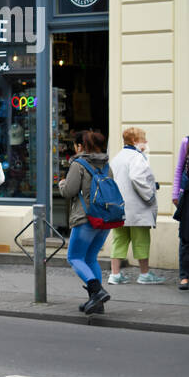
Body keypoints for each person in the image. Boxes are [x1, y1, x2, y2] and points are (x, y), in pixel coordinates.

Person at [59, 130, 113, 314]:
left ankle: (96, 292)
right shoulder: (106, 164)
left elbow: (69, 191)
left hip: (85, 218)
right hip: (105, 218)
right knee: (90, 258)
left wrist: (61, 183)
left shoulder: (78, 164)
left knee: (74, 257)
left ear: (80, 146)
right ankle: (97, 303)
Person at [108, 127, 163, 284]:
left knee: (119, 240)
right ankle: (144, 274)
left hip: (119, 208)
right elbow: (137, 177)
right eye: (143, 139)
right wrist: (150, 195)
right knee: (141, 240)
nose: (145, 142)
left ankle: (115, 274)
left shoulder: (117, 157)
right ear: (134, 141)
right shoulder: (137, 157)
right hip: (137, 208)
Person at [176, 127, 189, 290]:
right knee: (186, 238)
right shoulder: (187, 142)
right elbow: (179, 170)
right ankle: (184, 276)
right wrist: (176, 194)